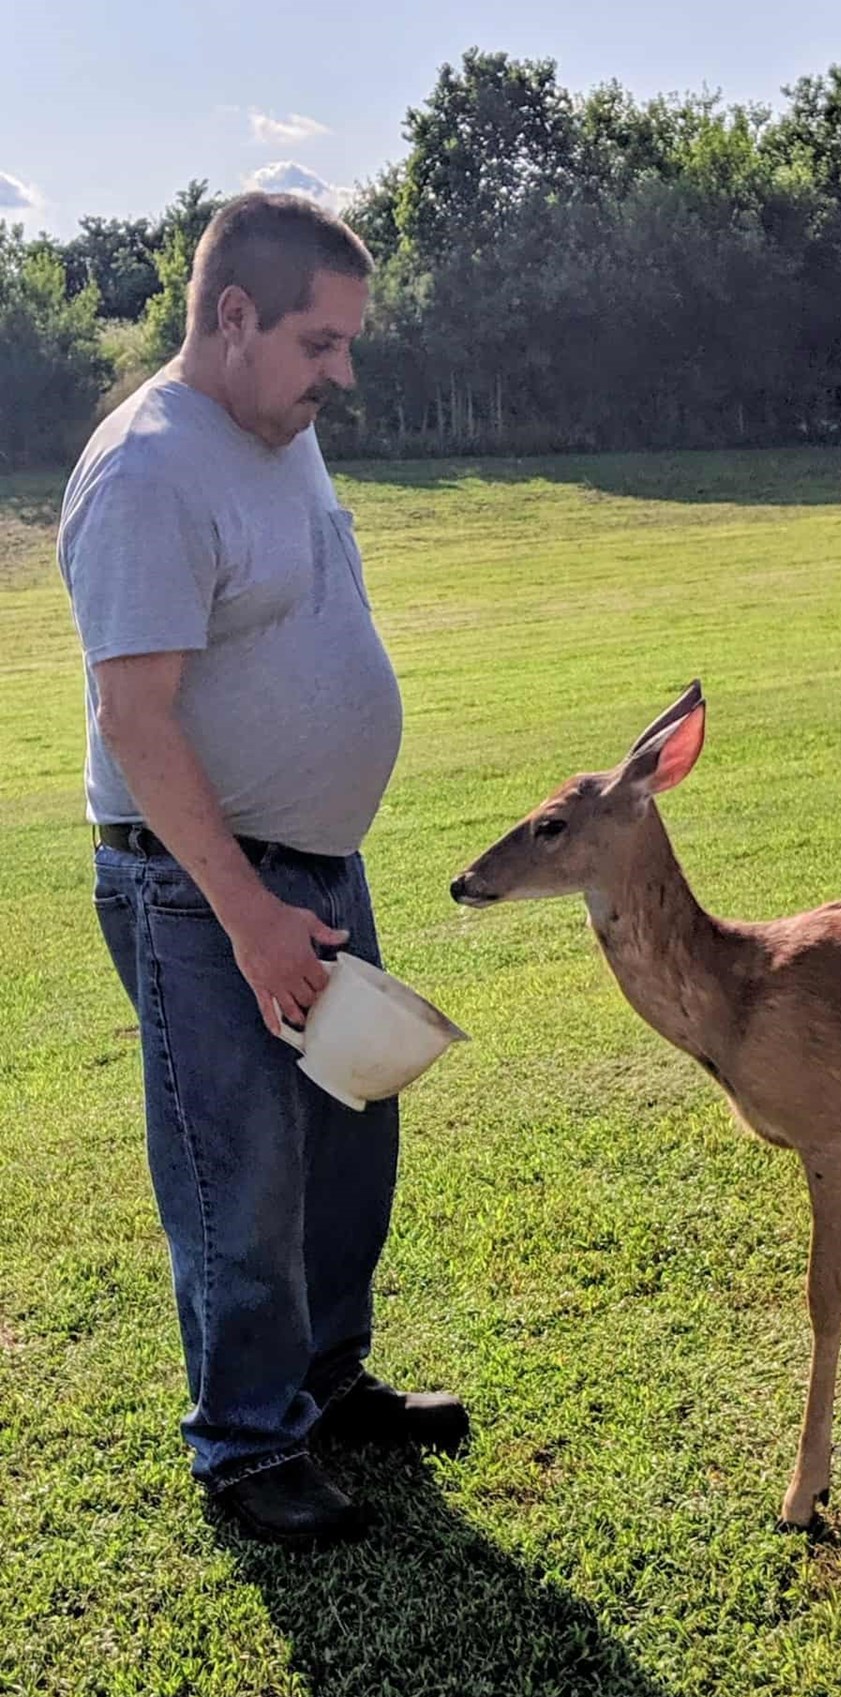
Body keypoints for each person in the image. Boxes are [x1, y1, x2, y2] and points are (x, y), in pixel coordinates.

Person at [57, 191, 467, 1550]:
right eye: (318, 345)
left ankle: (323, 1384)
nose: (339, 376)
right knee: (239, 1176)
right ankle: (245, 1448)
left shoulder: (269, 428)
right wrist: (247, 918)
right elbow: (137, 721)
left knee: (351, 1144)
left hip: (318, 874)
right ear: (232, 318)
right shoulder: (150, 473)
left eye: (346, 345)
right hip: (203, 899)